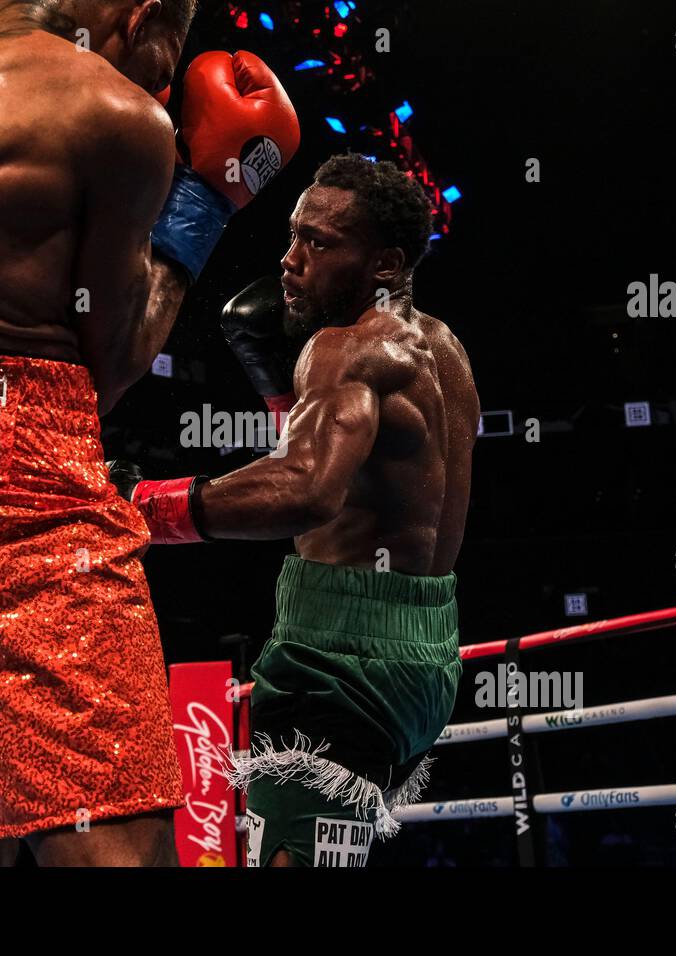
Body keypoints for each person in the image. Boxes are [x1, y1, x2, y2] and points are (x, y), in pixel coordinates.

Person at [0, 0, 299, 865]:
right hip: (14, 496)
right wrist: (207, 201)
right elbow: (110, 364)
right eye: (167, 55)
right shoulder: (110, 113)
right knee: (123, 846)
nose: (161, 83)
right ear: (141, 12)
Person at [112, 154, 478, 867]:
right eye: (292, 235)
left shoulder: (347, 348)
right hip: (423, 657)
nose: (289, 261)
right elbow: (358, 472)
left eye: (319, 242)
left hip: (336, 664)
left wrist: (138, 508)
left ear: (387, 262)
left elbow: (308, 487)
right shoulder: (445, 349)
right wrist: (287, 403)